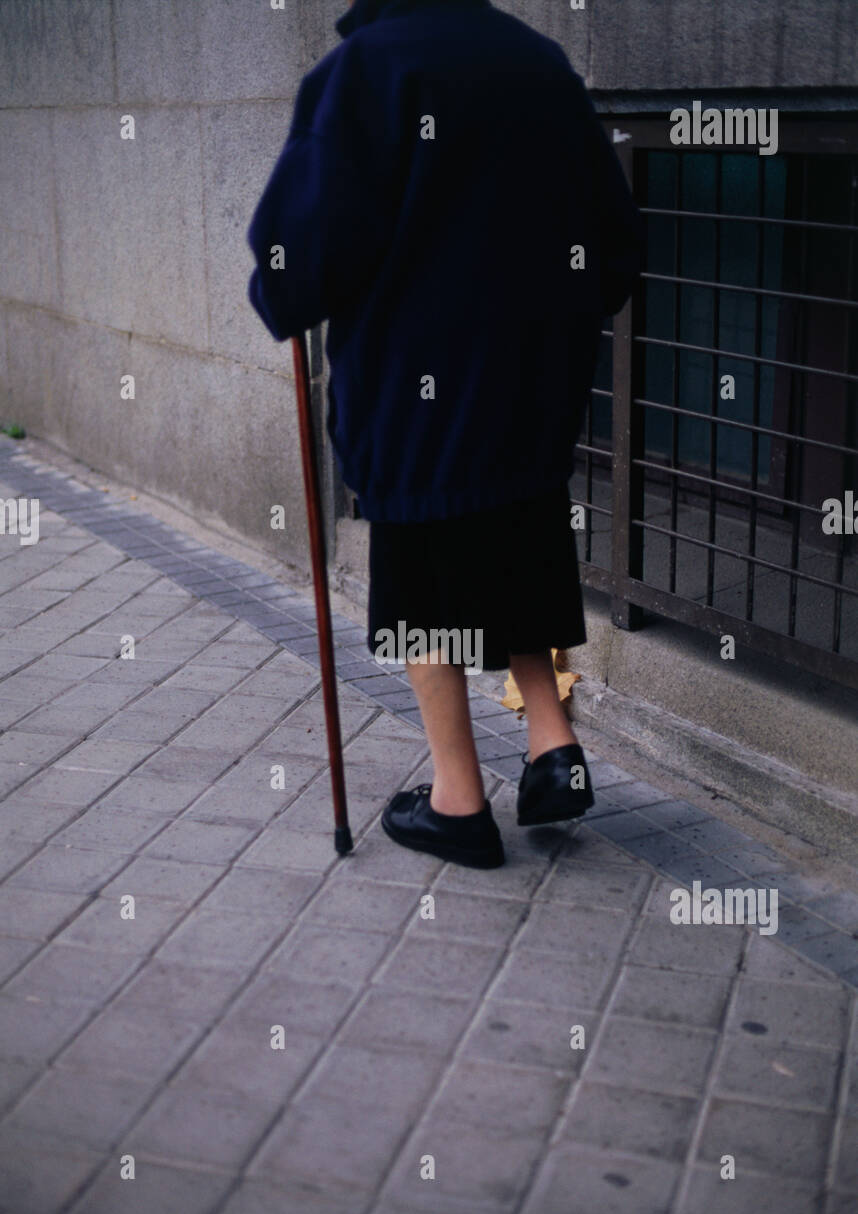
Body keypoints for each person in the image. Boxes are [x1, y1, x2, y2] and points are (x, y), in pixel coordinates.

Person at [247, 0, 645, 870]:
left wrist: (280, 296)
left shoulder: (365, 72)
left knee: (426, 564)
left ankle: (459, 802)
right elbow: (615, 246)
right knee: (516, 534)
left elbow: (300, 251)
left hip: (413, 385)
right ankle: (552, 746)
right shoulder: (541, 64)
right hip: (530, 386)